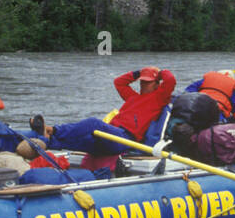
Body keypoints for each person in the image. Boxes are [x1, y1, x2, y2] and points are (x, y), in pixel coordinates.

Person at [32, 66, 176, 155]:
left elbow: (170, 80)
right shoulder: (133, 97)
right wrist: (139, 73)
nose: (143, 85)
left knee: (93, 123)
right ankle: (47, 141)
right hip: (112, 133)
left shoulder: (159, 98)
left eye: (147, 82)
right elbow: (119, 82)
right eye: (142, 82)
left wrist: (160, 72)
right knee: (86, 140)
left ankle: (53, 130)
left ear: (157, 84)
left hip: (125, 138)